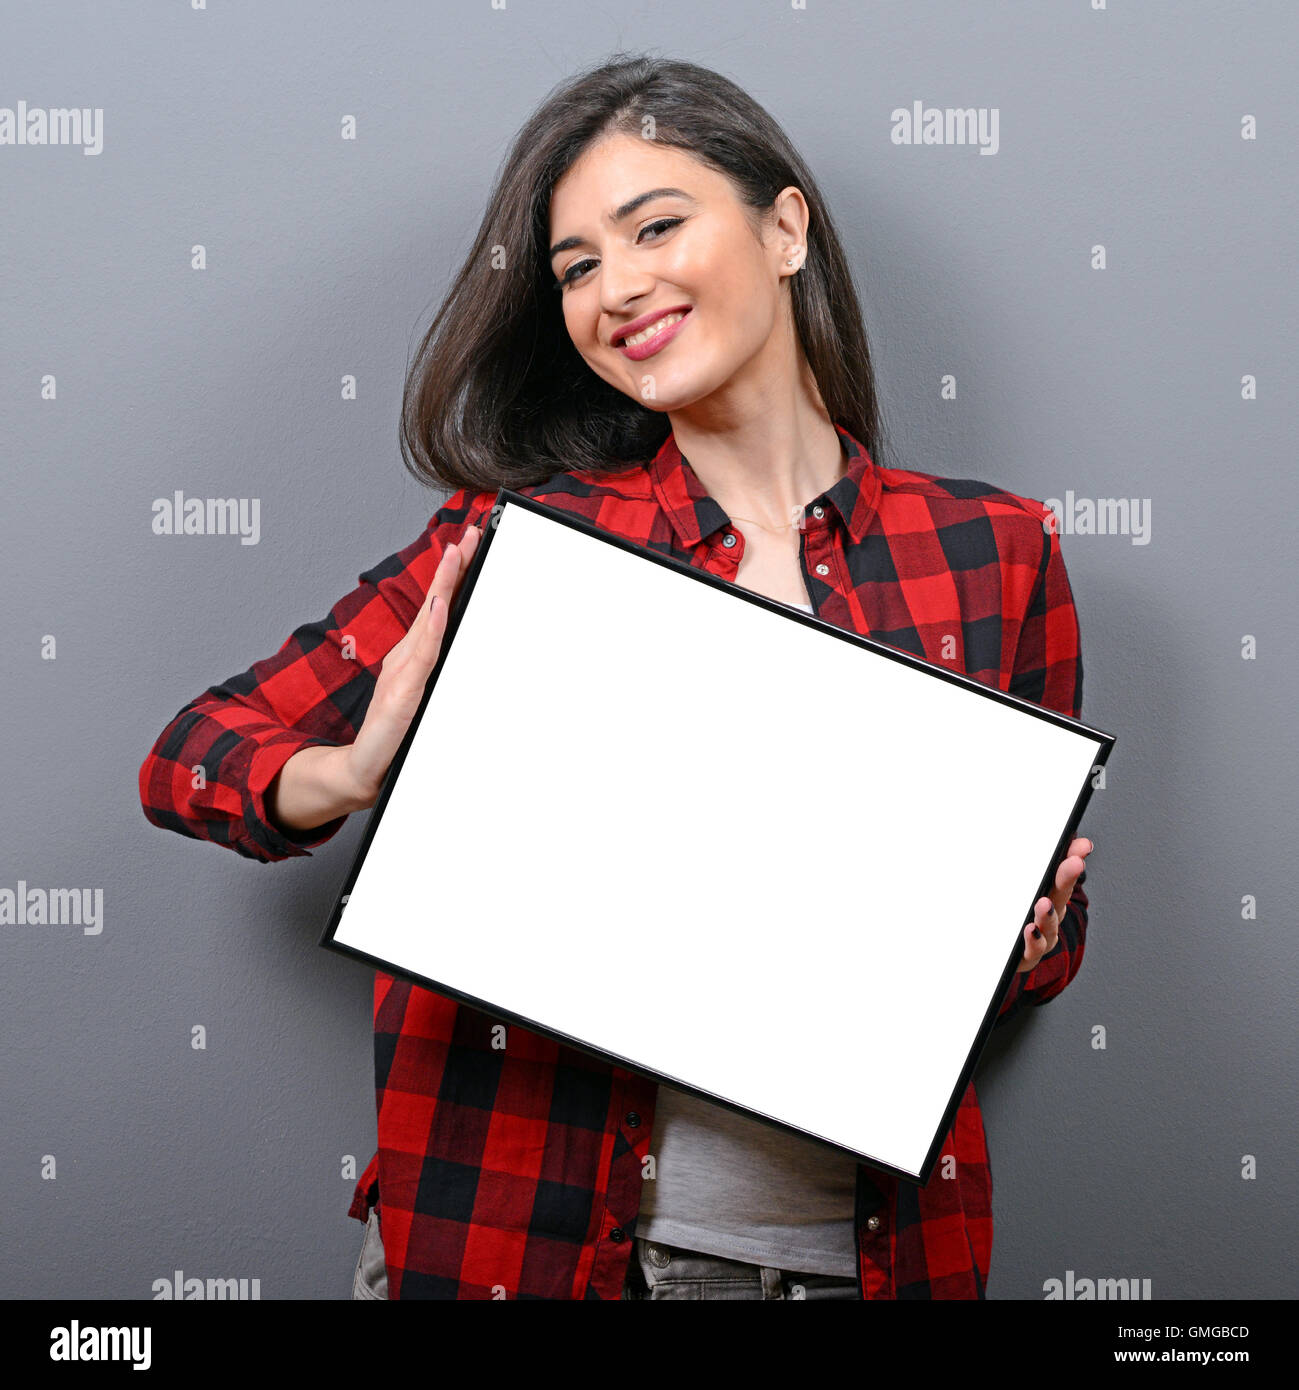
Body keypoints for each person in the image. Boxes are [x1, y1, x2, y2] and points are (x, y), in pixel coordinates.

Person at [138, 51, 1094, 1301]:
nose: (617, 287)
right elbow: (188, 754)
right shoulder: (516, 546)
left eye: (656, 227)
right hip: (519, 1252)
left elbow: (1044, 955)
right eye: (578, 266)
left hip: (853, 1265)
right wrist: (355, 768)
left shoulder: (993, 551)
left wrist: (1026, 938)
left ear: (785, 227)